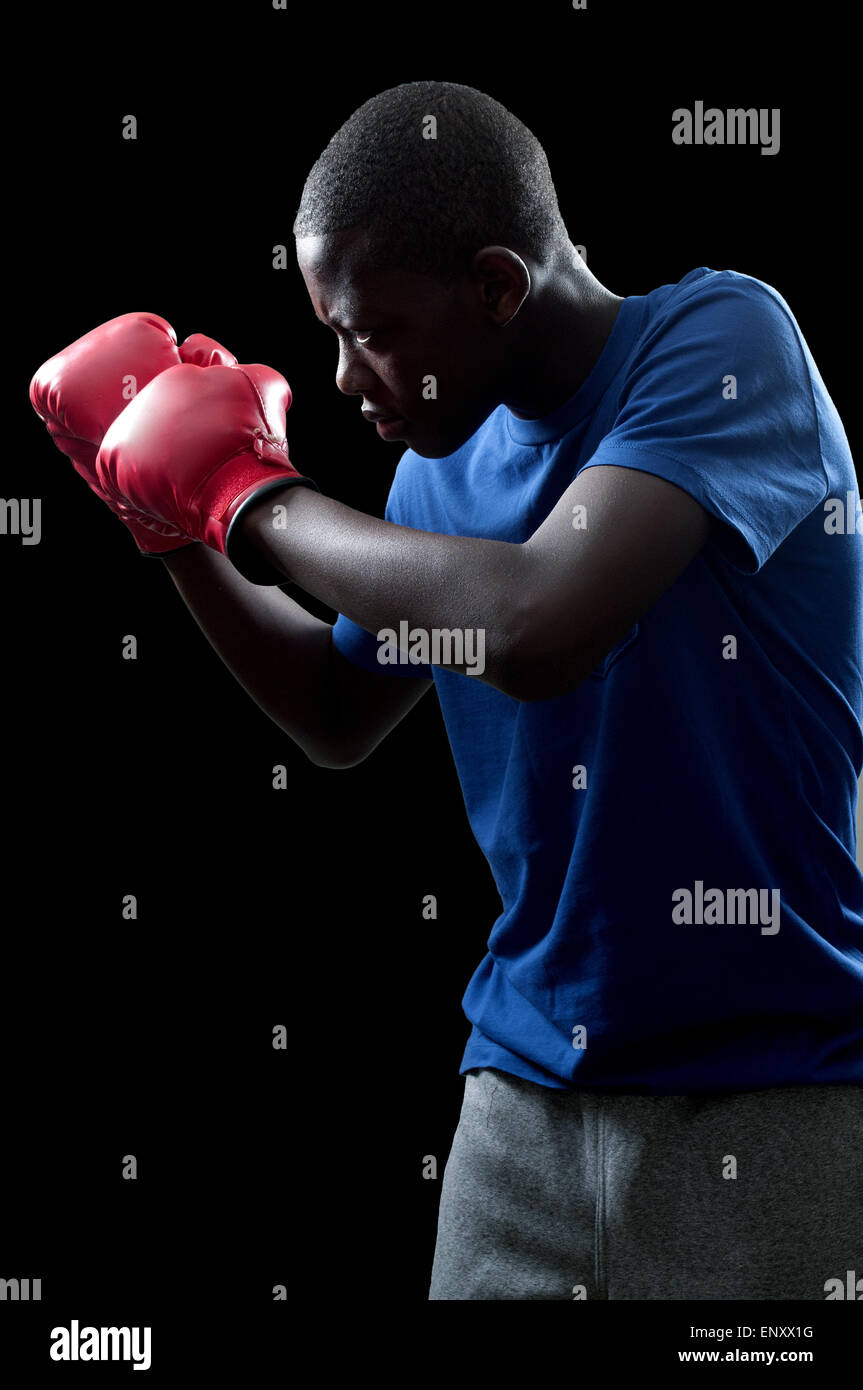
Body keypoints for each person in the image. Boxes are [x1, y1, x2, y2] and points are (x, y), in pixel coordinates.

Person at [30, 81, 863, 1301]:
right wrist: (168, 531)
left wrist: (246, 498)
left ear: (495, 285)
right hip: (517, 1106)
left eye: (371, 333)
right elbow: (332, 707)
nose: (345, 377)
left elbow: (536, 626)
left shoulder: (721, 344)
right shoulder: (442, 466)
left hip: (771, 1092)